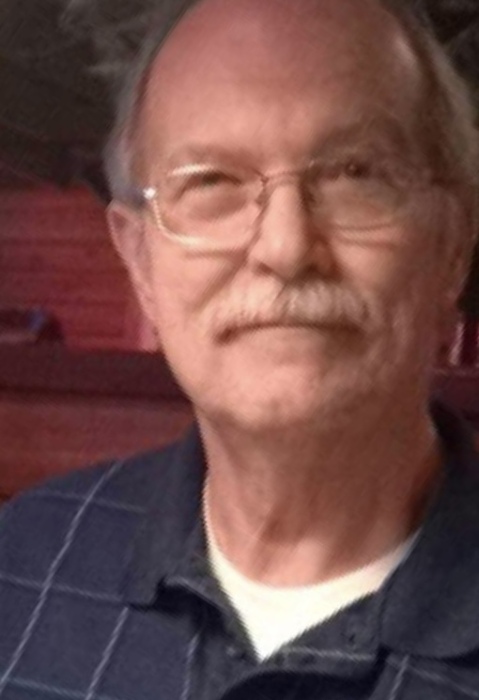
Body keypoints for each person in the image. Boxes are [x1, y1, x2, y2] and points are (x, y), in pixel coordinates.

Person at [1, 0, 479, 697]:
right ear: (139, 262)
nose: (284, 247)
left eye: (353, 172)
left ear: (452, 245)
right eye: (210, 181)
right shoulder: (21, 560)